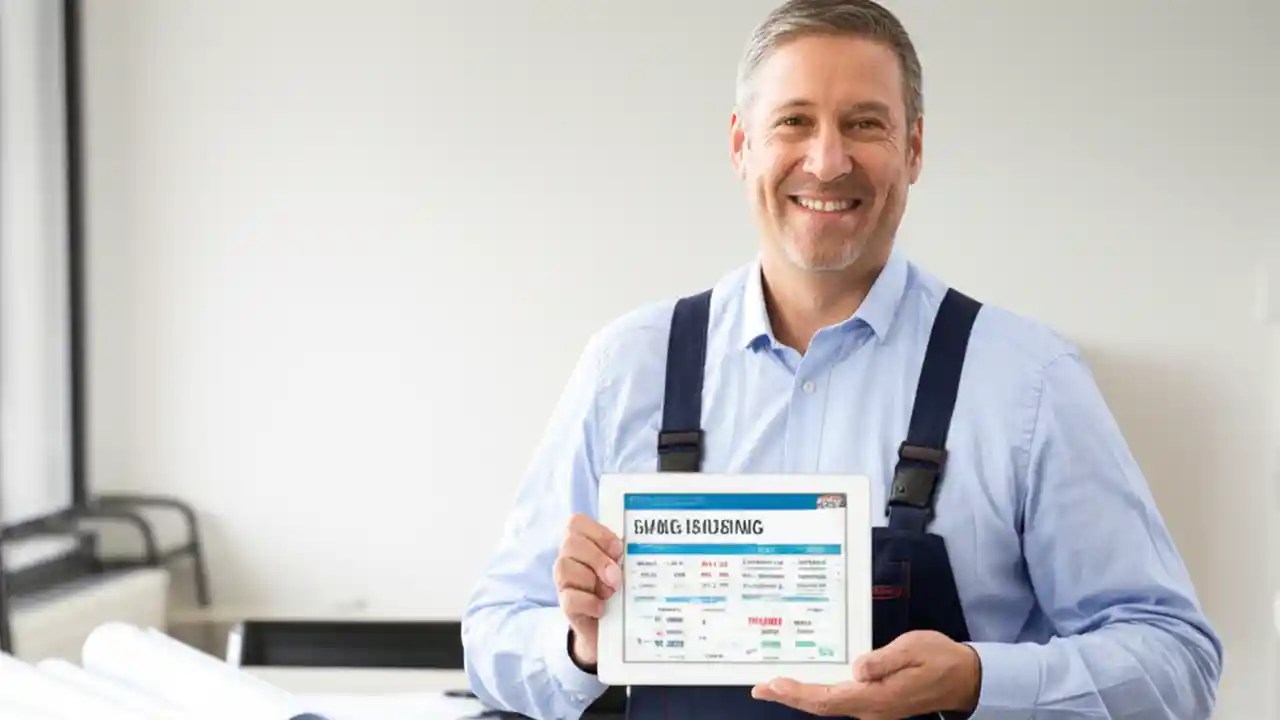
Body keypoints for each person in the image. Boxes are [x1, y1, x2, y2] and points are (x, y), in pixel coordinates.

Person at [460, 0, 1223, 718]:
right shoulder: (626, 368)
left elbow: (1176, 663)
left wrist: (976, 679)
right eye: (794, 121)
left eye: (864, 124)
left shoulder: (1030, 381)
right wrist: (580, 648)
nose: (827, 162)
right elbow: (492, 635)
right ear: (740, 145)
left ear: (914, 148)